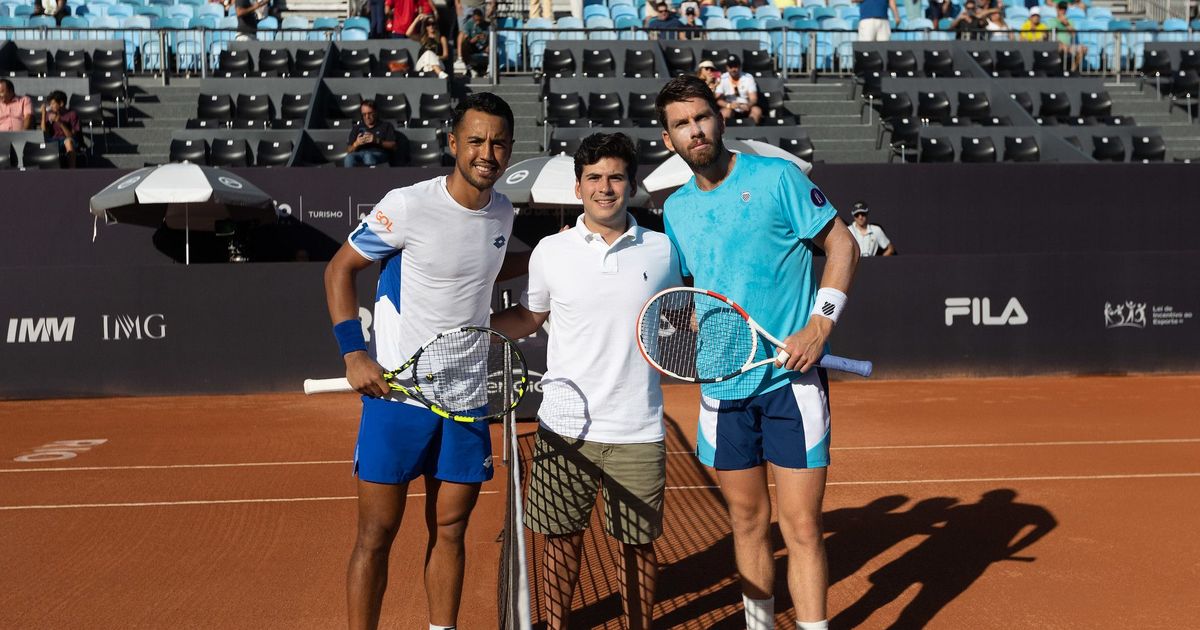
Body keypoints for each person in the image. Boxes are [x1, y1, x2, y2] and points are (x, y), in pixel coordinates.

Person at [654, 75, 860, 630]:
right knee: (746, 523)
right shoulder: (675, 211)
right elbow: (694, 290)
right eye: (681, 123)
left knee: (801, 528)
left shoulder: (776, 178)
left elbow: (842, 242)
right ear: (669, 138)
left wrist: (821, 324)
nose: (694, 130)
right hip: (723, 388)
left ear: (719, 118)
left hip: (791, 386)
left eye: (701, 117)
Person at [324, 92, 515, 630]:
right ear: (453, 143)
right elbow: (340, 270)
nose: (487, 152)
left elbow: (483, 265)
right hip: (398, 399)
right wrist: (353, 352)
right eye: (475, 140)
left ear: (510, 150)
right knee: (377, 533)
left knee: (451, 530)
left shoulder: (503, 211)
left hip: (466, 402)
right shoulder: (407, 204)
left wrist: (555, 258)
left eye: (498, 143)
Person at [491, 132, 682, 630]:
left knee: (638, 547)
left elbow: (684, 316)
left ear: (631, 185)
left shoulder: (663, 250)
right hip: (563, 427)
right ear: (578, 187)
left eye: (615, 176)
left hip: (638, 427)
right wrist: (471, 326)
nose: (605, 187)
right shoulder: (550, 251)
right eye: (594, 177)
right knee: (560, 543)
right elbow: (530, 317)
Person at [344, 99, 398, 167]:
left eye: (370, 113)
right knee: (349, 158)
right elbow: (348, 150)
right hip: (359, 153)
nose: (367, 117)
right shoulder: (357, 128)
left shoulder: (386, 125)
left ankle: (371, 177)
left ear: (375, 112)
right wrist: (356, 144)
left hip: (379, 153)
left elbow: (394, 146)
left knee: (368, 156)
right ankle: (349, 177)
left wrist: (376, 140)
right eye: (364, 114)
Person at [714, 56, 763, 125]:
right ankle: (724, 134)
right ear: (727, 67)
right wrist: (729, 105)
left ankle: (753, 134)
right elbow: (718, 100)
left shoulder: (748, 77)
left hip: (746, 106)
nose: (733, 69)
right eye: (731, 66)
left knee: (757, 111)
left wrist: (748, 105)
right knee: (724, 113)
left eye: (736, 66)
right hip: (730, 107)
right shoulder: (722, 78)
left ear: (740, 66)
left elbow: (753, 98)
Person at [1044, 1, 1087, 72]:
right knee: (1061, 47)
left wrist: (1066, 24)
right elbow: (1048, 35)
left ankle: (1072, 70)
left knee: (1083, 49)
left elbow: (1073, 34)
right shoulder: (1051, 21)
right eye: (1061, 9)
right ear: (1057, 9)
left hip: (1068, 46)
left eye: (1064, 9)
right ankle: (1057, 70)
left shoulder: (1070, 22)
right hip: (1055, 45)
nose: (1062, 11)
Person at [41, 90, 79, 168]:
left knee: (68, 141)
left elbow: (71, 136)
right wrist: (43, 114)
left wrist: (59, 122)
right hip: (53, 140)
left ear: (61, 103)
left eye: (53, 103)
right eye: (50, 104)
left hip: (65, 140)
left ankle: (72, 171)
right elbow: (43, 132)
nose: (51, 106)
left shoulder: (72, 114)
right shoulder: (49, 114)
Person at [456, 9, 489, 77]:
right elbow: (467, 38)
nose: (478, 22)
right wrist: (474, 39)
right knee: (464, 44)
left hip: (483, 46)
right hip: (473, 46)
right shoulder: (469, 24)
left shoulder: (486, 25)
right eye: (476, 20)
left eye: (479, 20)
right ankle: (469, 68)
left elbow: (489, 37)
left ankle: (489, 69)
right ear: (473, 18)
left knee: (492, 47)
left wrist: (485, 39)